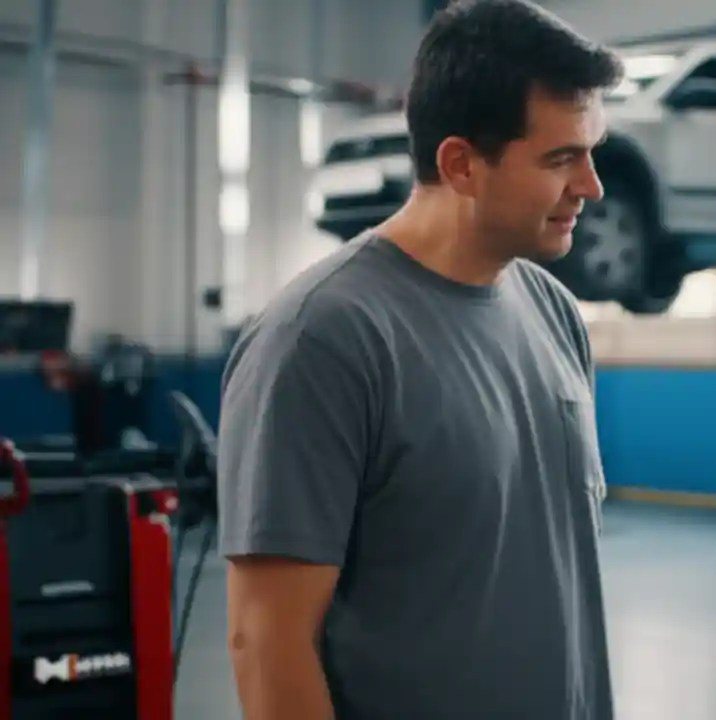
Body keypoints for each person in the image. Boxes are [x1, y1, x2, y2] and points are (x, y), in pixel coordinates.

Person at [216, 1, 623, 718]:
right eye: (561, 158)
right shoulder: (322, 341)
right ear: (461, 164)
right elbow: (267, 641)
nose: (590, 186)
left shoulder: (556, 315)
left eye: (592, 152)